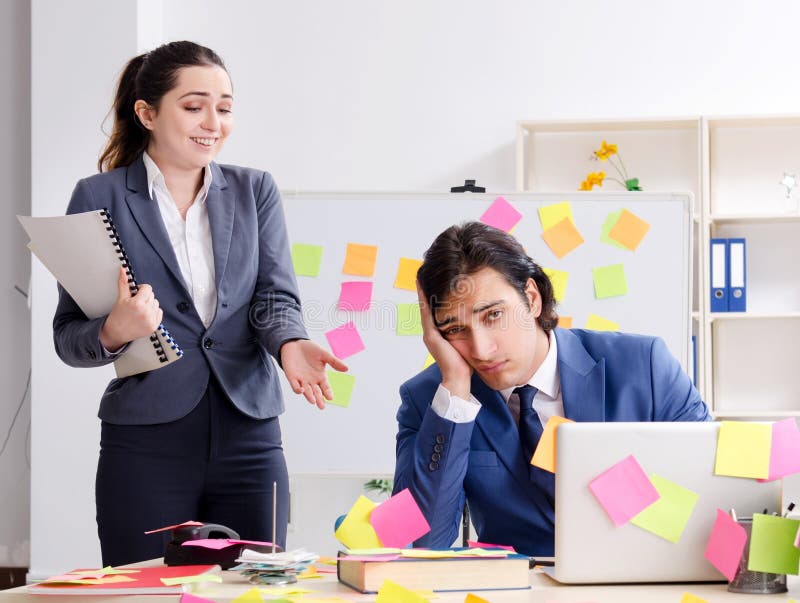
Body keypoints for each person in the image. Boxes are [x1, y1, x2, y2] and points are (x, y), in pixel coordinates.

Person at [52, 41, 347, 566]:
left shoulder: (255, 190)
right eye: (194, 106)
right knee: (144, 594)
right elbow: (69, 336)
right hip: (146, 440)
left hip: (249, 434)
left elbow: (274, 298)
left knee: (257, 589)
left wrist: (291, 342)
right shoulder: (99, 197)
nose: (213, 122)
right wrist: (115, 329)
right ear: (147, 113)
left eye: (225, 107)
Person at [393, 221, 710, 556]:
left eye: (493, 316)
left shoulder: (644, 365)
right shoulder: (431, 401)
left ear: (531, 299)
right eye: (455, 329)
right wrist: (456, 390)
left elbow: (708, 492)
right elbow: (418, 547)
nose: (481, 350)